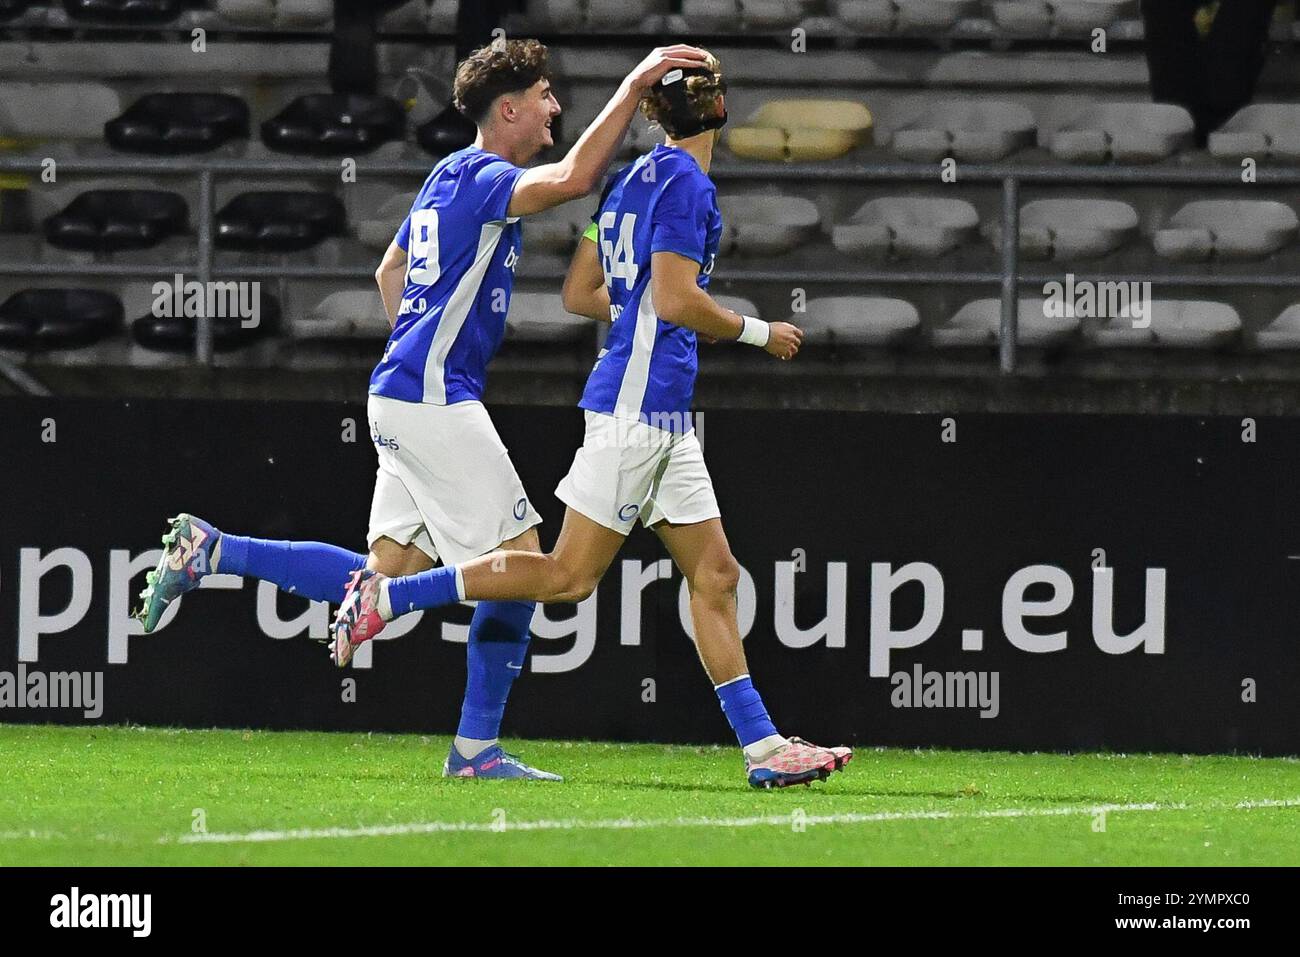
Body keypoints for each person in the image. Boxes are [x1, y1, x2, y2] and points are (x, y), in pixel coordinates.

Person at [133, 39, 711, 781]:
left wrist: (417, 347)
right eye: (543, 95)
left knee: (386, 569)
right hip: (433, 400)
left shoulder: (445, 174)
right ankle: (474, 749)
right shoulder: (485, 179)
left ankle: (212, 550)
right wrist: (633, 85)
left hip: (401, 393)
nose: (554, 108)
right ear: (509, 109)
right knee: (528, 566)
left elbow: (389, 269)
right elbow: (572, 179)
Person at [330, 52, 854, 790]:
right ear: (720, 110)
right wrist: (758, 331)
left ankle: (764, 749)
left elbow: (582, 291)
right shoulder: (687, 184)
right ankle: (389, 595)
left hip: (658, 407)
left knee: (716, 572)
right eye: (541, 96)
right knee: (565, 577)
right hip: (639, 404)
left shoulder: (631, 176)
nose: (550, 107)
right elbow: (672, 301)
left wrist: (646, 308)